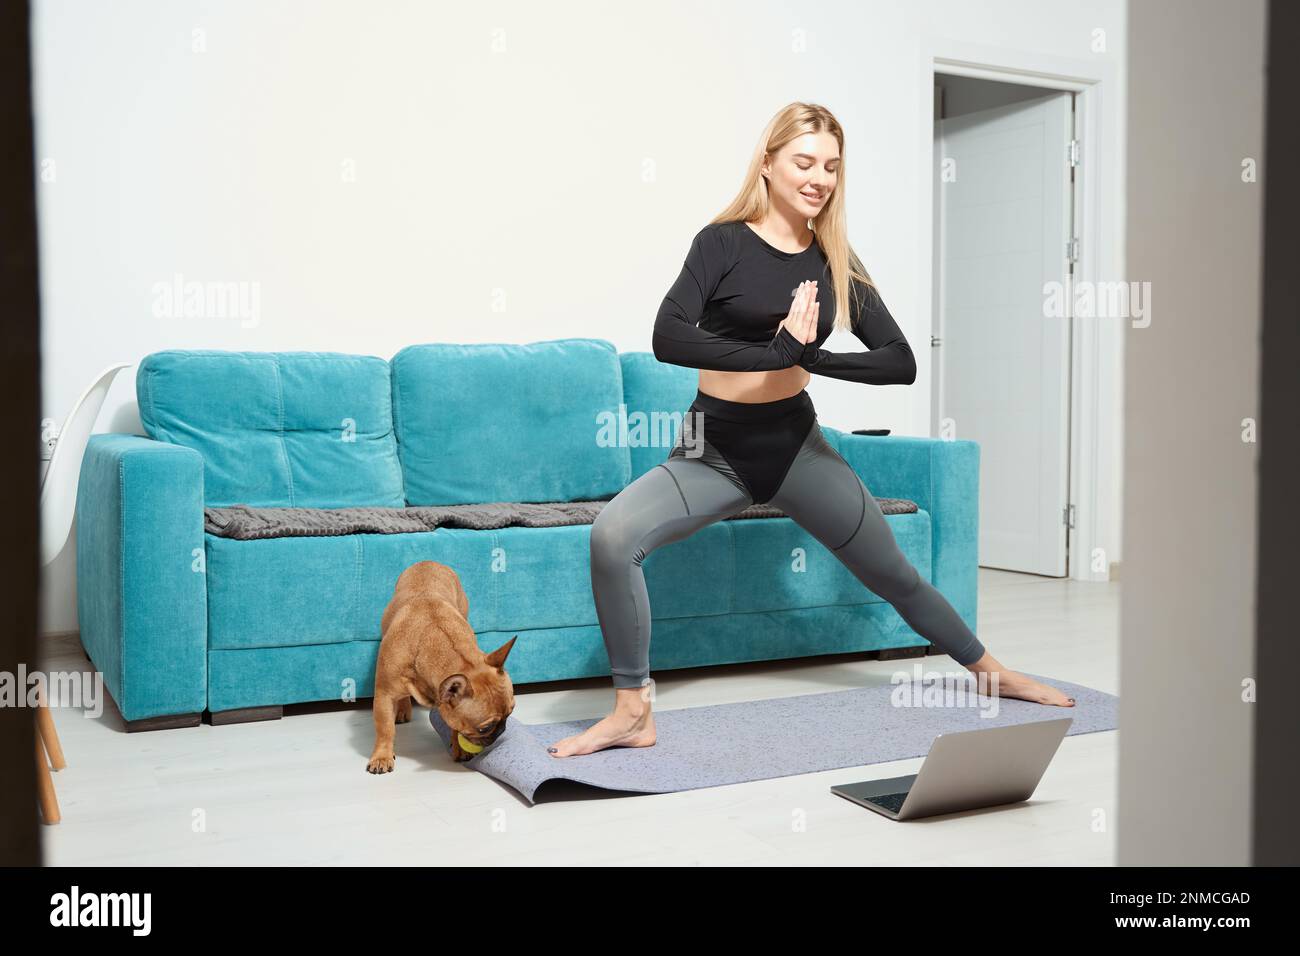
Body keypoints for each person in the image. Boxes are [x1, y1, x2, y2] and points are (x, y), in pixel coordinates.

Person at [548, 102, 1073, 759]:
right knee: (612, 536)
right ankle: (632, 713)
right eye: (804, 162)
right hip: (711, 451)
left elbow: (900, 361)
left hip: (798, 449)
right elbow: (668, 335)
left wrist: (810, 358)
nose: (819, 177)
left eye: (831, 166)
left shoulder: (834, 258)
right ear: (768, 164)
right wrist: (771, 353)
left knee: (895, 574)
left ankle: (992, 672)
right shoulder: (722, 243)